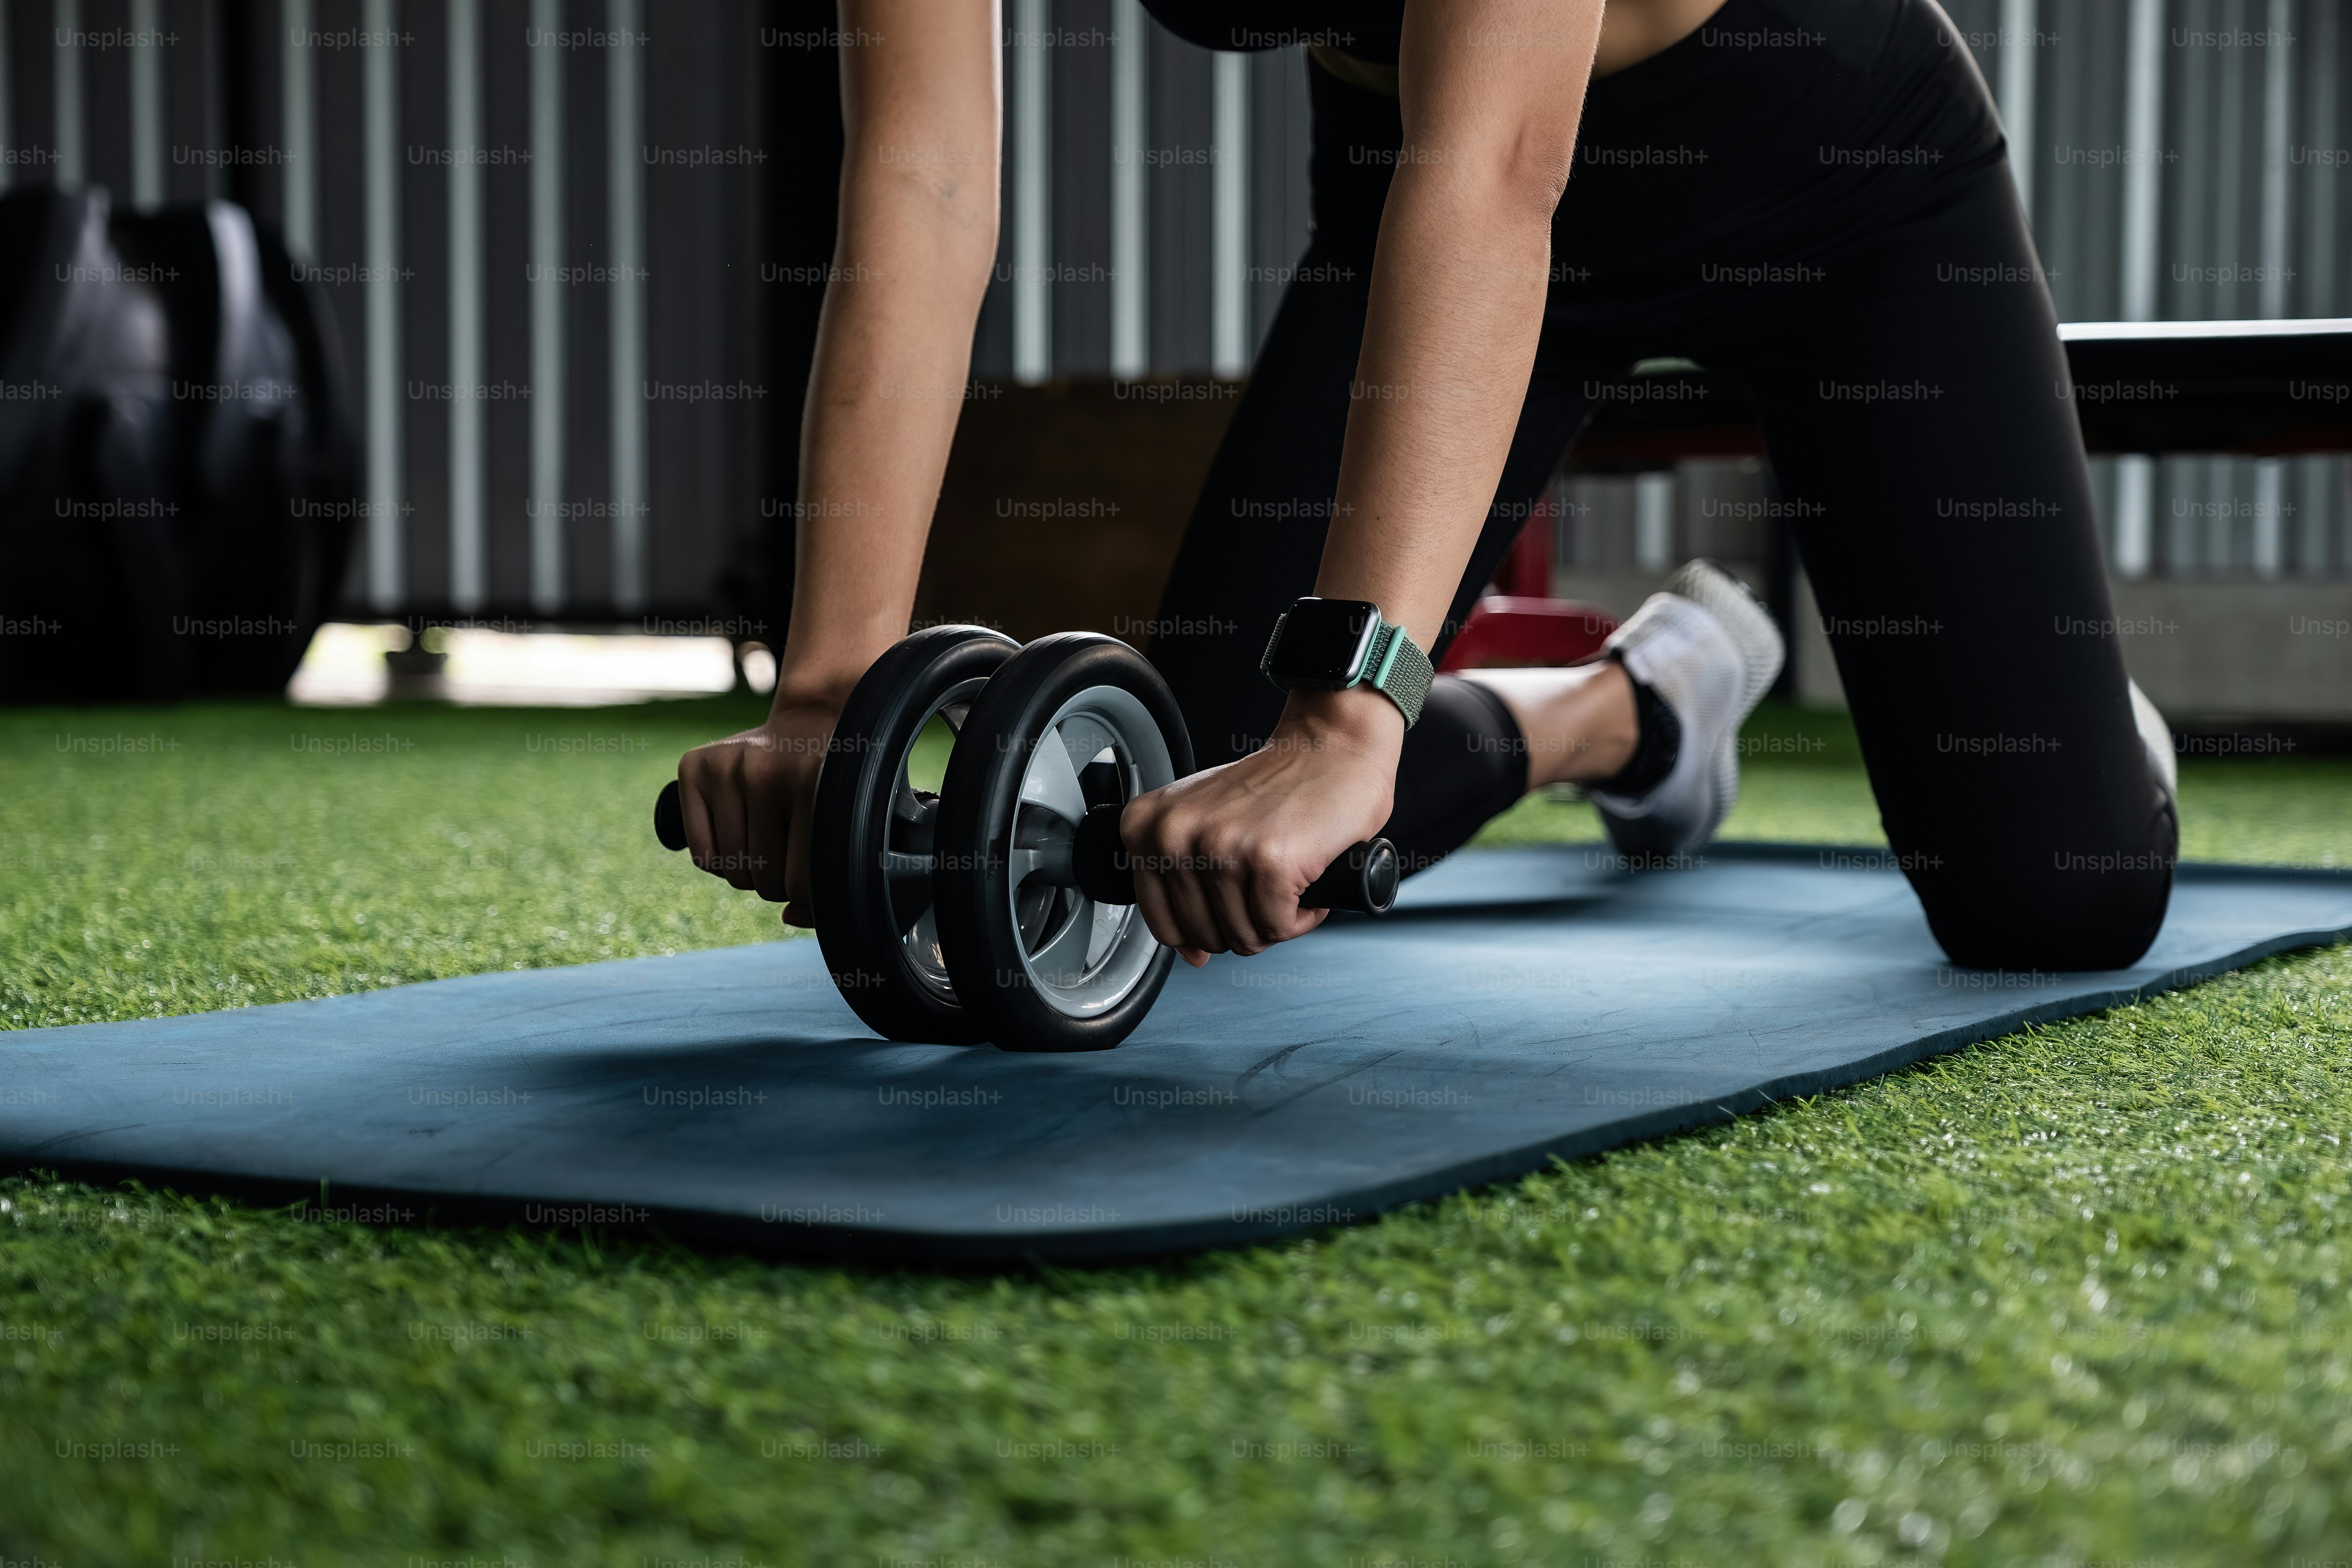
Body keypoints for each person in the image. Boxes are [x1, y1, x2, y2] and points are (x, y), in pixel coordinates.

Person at [675, 0, 2179, 976]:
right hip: (1411, 163)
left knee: (2057, 899)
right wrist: (829, 683)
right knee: (1158, 824)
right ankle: (1632, 707)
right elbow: (923, 181)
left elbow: (1499, 167)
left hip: (1830, 169)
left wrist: (1342, 717)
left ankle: (2064, 710)